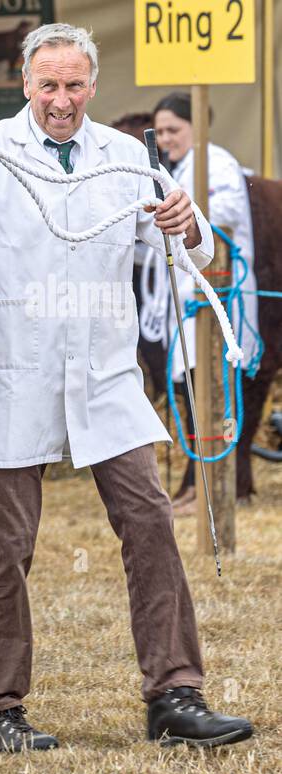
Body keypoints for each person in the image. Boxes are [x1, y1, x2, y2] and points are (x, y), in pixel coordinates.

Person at [0, 23, 253, 751]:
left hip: (104, 375)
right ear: (25, 83)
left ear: (92, 86)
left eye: (75, 85)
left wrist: (187, 227)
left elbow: (194, 255)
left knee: (150, 522)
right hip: (13, 372)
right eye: (49, 85)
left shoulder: (128, 157)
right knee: (11, 543)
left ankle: (176, 697)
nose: (62, 100)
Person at [138, 91, 257, 513]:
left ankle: (210, 487)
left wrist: (188, 214)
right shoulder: (177, 170)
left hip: (215, 297)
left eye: (175, 129)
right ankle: (195, 481)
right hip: (186, 301)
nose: (166, 139)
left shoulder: (216, 163)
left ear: (197, 127)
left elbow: (224, 216)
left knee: (210, 392)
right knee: (188, 393)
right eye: (161, 131)